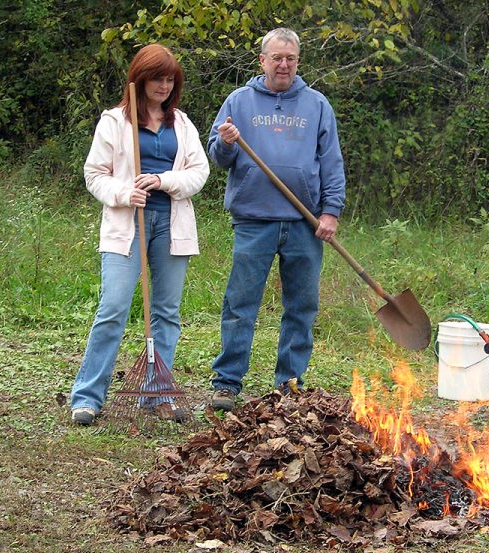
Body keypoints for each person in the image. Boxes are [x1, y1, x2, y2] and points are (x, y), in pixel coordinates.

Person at [70, 44, 210, 426]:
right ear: (140, 79)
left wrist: (163, 179)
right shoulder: (114, 121)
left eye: (170, 79)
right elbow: (94, 174)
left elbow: (200, 172)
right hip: (126, 224)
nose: (164, 85)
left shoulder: (181, 123)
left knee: (166, 312)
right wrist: (123, 192)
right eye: (157, 78)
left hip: (171, 225)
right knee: (113, 307)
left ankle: (156, 393)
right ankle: (86, 396)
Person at [207, 27, 346, 412]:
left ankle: (289, 384)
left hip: (305, 224)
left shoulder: (317, 105)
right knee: (240, 303)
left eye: (291, 58)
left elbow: (331, 162)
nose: (283, 64)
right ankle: (227, 382)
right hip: (254, 220)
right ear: (262, 60)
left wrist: (330, 211)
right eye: (277, 57)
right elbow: (217, 158)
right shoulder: (239, 101)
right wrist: (226, 142)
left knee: (301, 306)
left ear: (297, 61)